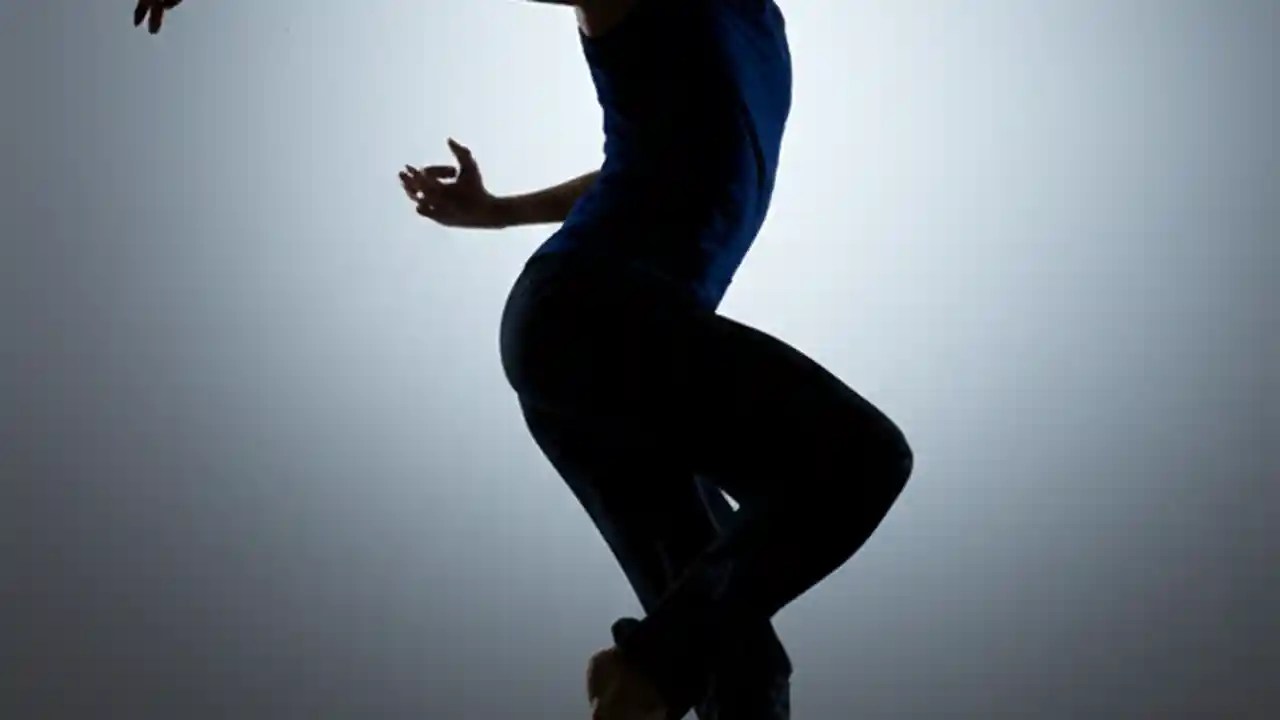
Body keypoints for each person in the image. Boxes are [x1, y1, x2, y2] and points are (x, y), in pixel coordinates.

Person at [137, 1, 914, 718]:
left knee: (739, 661)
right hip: (593, 311)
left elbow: (639, 160)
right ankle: (650, 670)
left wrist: (499, 211)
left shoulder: (763, 33)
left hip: (600, 355)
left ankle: (654, 679)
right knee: (857, 460)